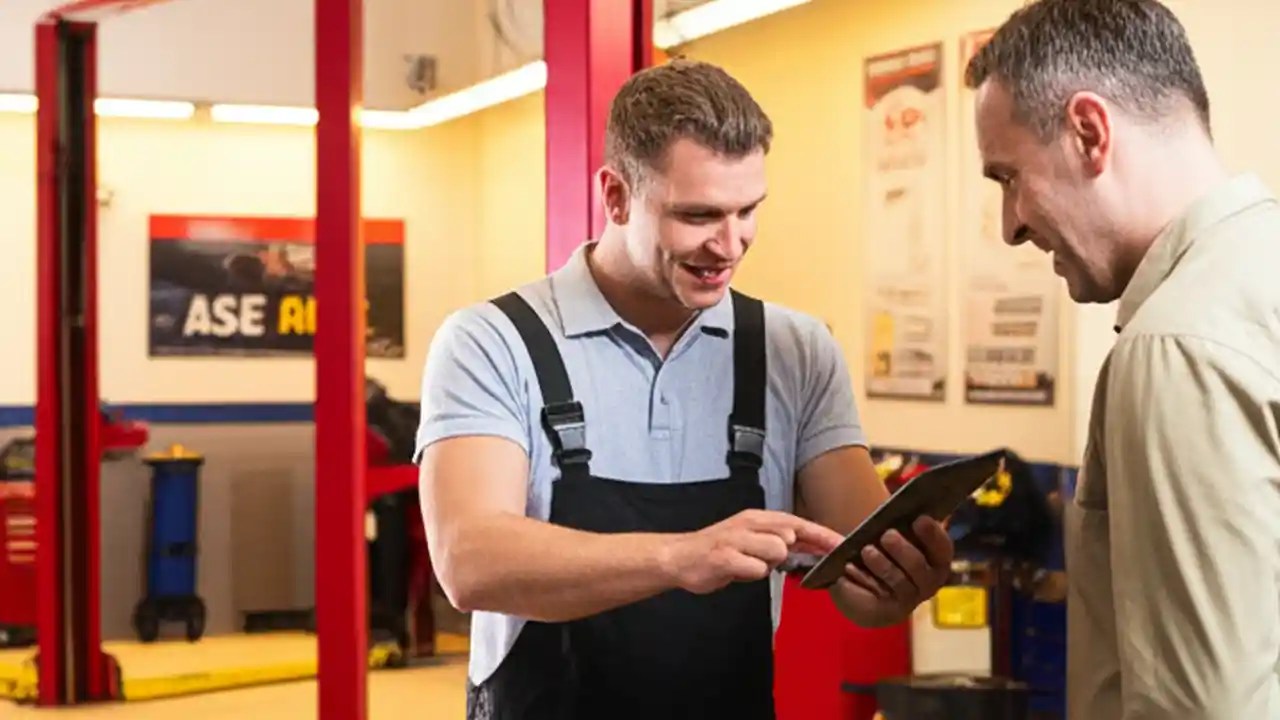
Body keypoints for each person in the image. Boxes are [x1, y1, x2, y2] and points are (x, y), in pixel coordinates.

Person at [415, 58, 954, 719]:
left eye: (747, 211)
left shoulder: (796, 351)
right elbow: (470, 562)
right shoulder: (492, 343)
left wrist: (905, 577)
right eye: (698, 215)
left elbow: (861, 592)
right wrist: (679, 557)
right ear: (616, 196)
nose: (729, 245)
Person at [966, 1, 1280, 718]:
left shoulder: (1177, 345)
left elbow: (1201, 706)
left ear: (1088, 132)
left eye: (1008, 177)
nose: (1010, 226)